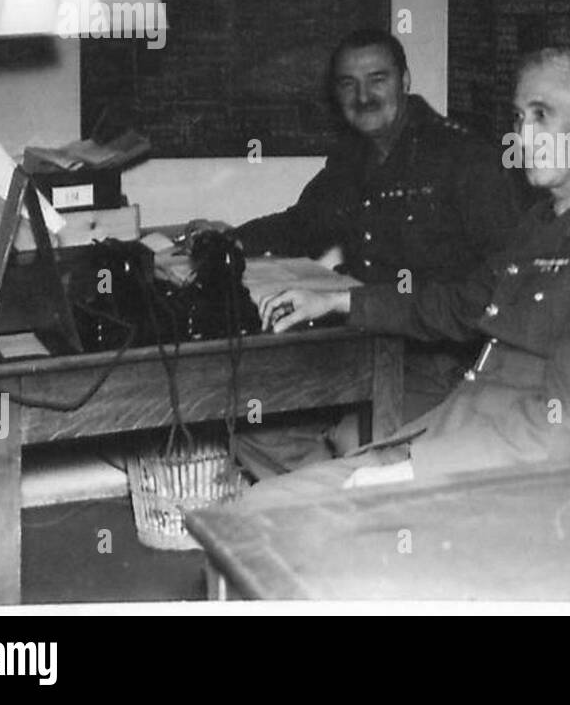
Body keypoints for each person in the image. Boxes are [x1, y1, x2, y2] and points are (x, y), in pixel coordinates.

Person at [237, 47, 570, 504]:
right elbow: (461, 304)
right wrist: (337, 302)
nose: (522, 138)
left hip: (535, 489)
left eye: (542, 116)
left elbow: (556, 426)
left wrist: (408, 475)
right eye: (519, 117)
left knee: (267, 512)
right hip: (464, 442)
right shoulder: (546, 223)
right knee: (258, 503)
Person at [187, 30, 524, 422]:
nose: (363, 97)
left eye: (377, 80)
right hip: (365, 342)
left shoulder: (465, 160)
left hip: (442, 361)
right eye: (349, 84)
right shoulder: (354, 155)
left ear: (406, 81)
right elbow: (303, 224)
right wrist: (229, 240)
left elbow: (497, 294)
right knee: (236, 406)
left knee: (308, 427)